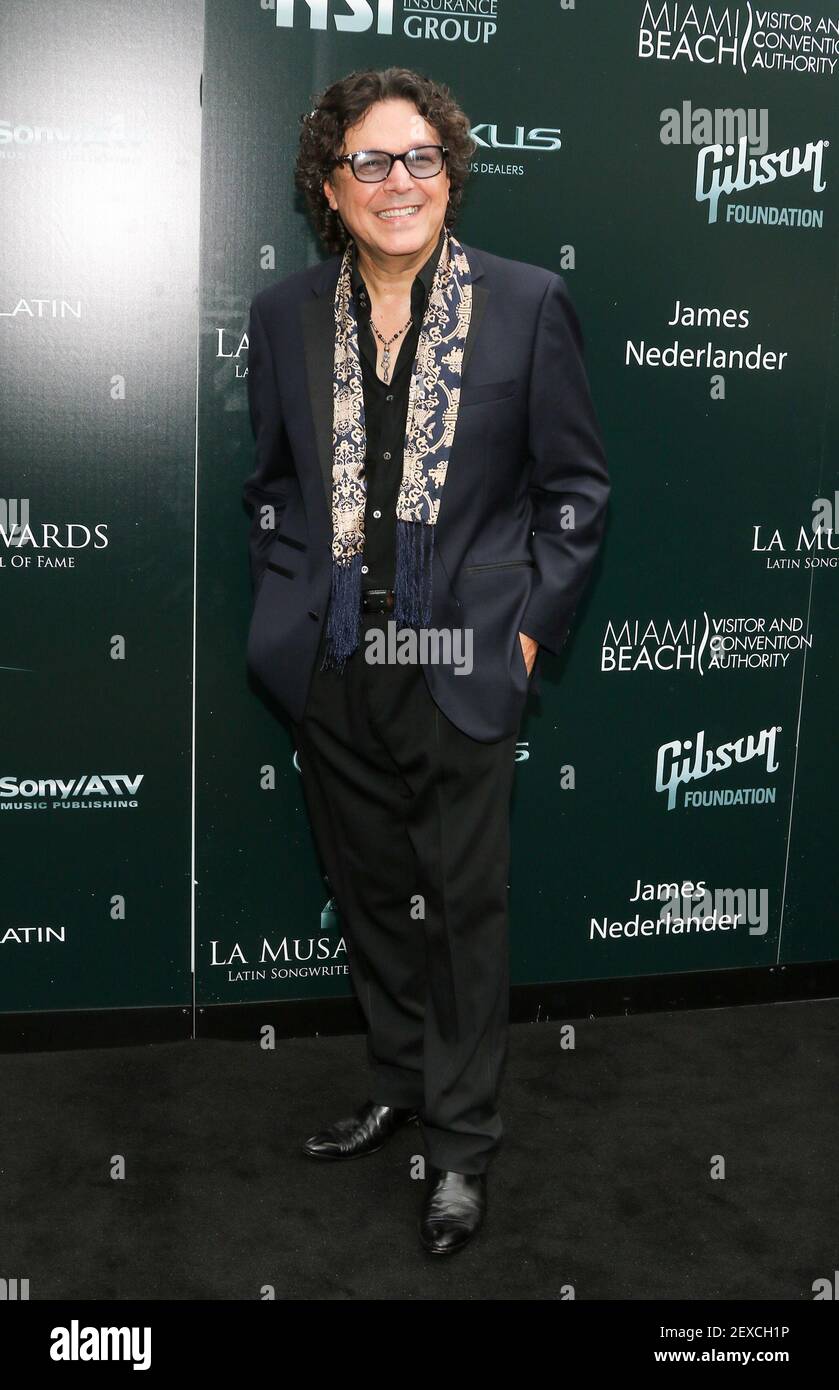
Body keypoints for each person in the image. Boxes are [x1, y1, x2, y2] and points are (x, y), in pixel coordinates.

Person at [243, 66, 610, 1256]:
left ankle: (458, 1146)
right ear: (330, 186)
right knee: (369, 895)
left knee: (458, 910)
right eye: (369, 160)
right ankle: (399, 1081)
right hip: (332, 658)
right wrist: (284, 605)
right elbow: (270, 485)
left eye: (419, 157)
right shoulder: (284, 314)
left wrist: (523, 631)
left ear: (447, 174)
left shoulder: (526, 302)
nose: (396, 181)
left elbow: (574, 491)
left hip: (460, 655)